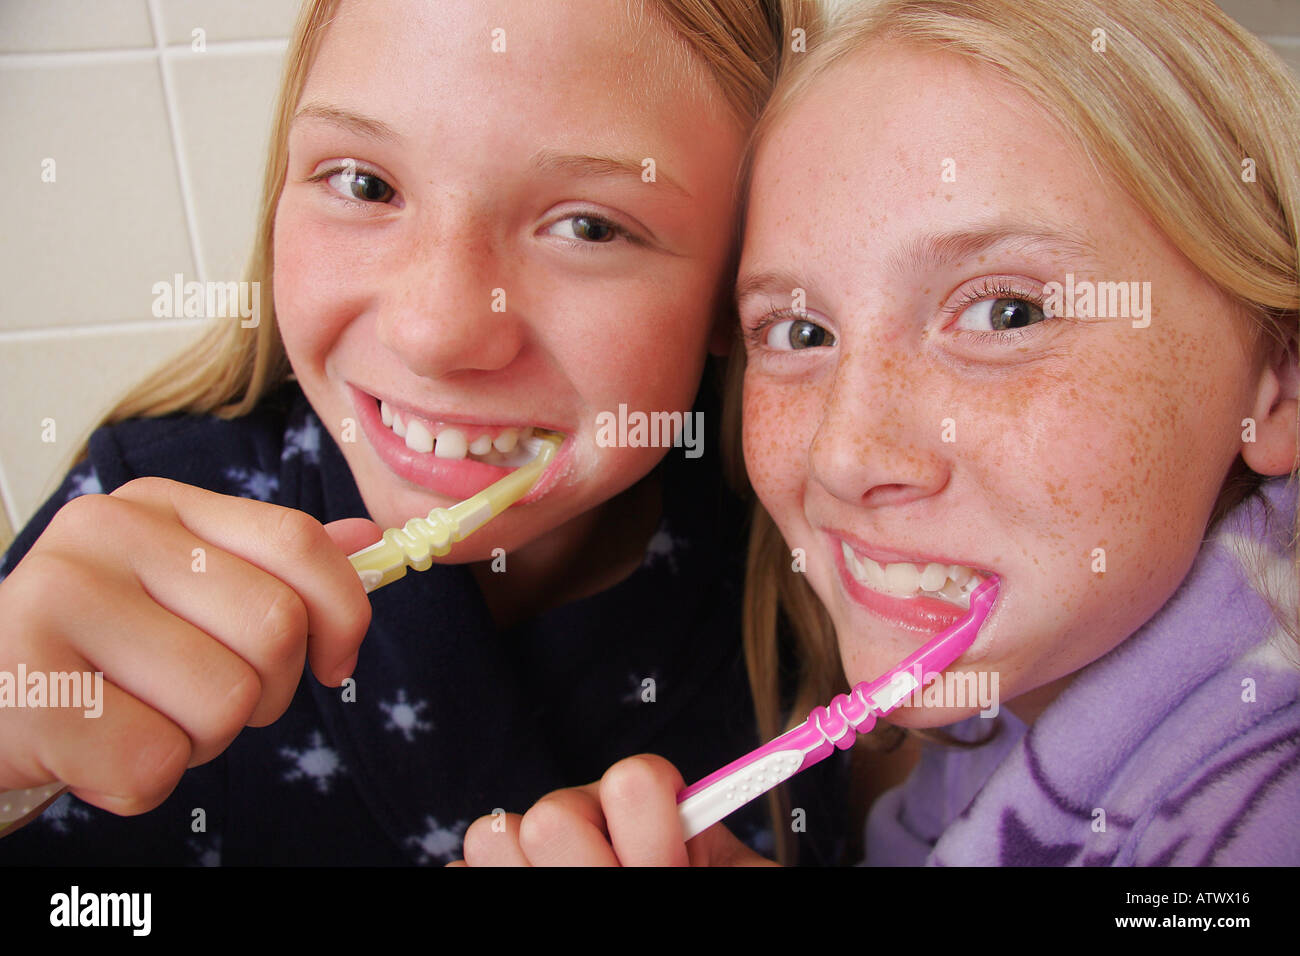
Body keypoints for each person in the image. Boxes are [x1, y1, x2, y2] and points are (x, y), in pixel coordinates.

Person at [0, 0, 847, 865]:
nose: (435, 333)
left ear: (742, 272)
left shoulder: (832, 592)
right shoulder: (140, 511)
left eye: (589, 227)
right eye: (366, 184)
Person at [458, 0, 1300, 867]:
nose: (843, 456)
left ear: (1280, 380)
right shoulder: (1023, 718)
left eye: (1006, 313)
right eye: (799, 333)